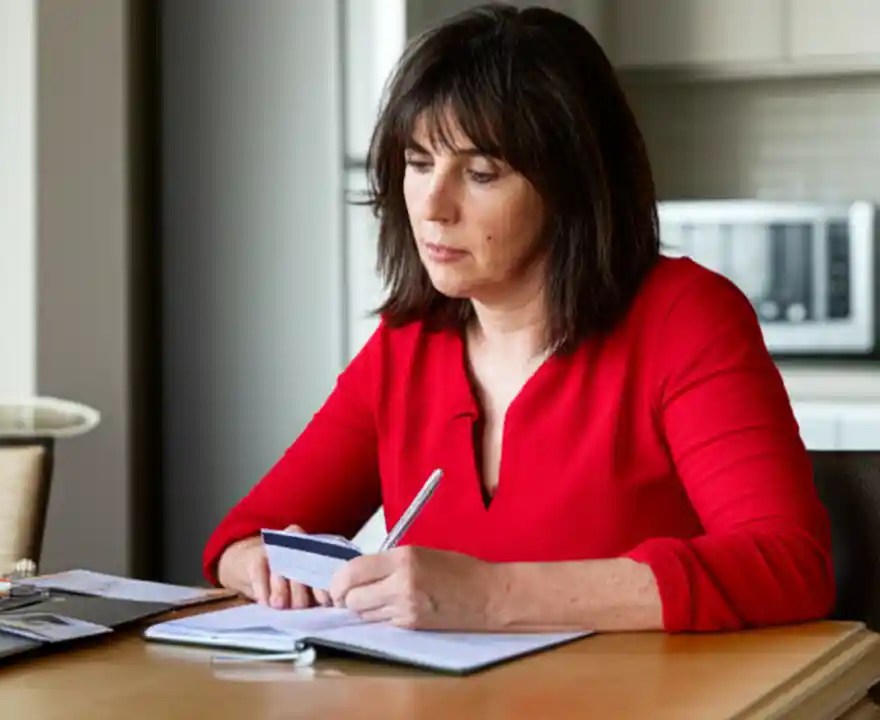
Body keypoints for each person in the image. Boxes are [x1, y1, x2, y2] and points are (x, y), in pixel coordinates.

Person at [201, 3, 834, 633]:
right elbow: (239, 540)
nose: (433, 206)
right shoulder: (405, 346)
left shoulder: (684, 318)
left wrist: (492, 595)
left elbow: (788, 565)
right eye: (419, 163)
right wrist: (262, 564)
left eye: (480, 173)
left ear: (571, 188)